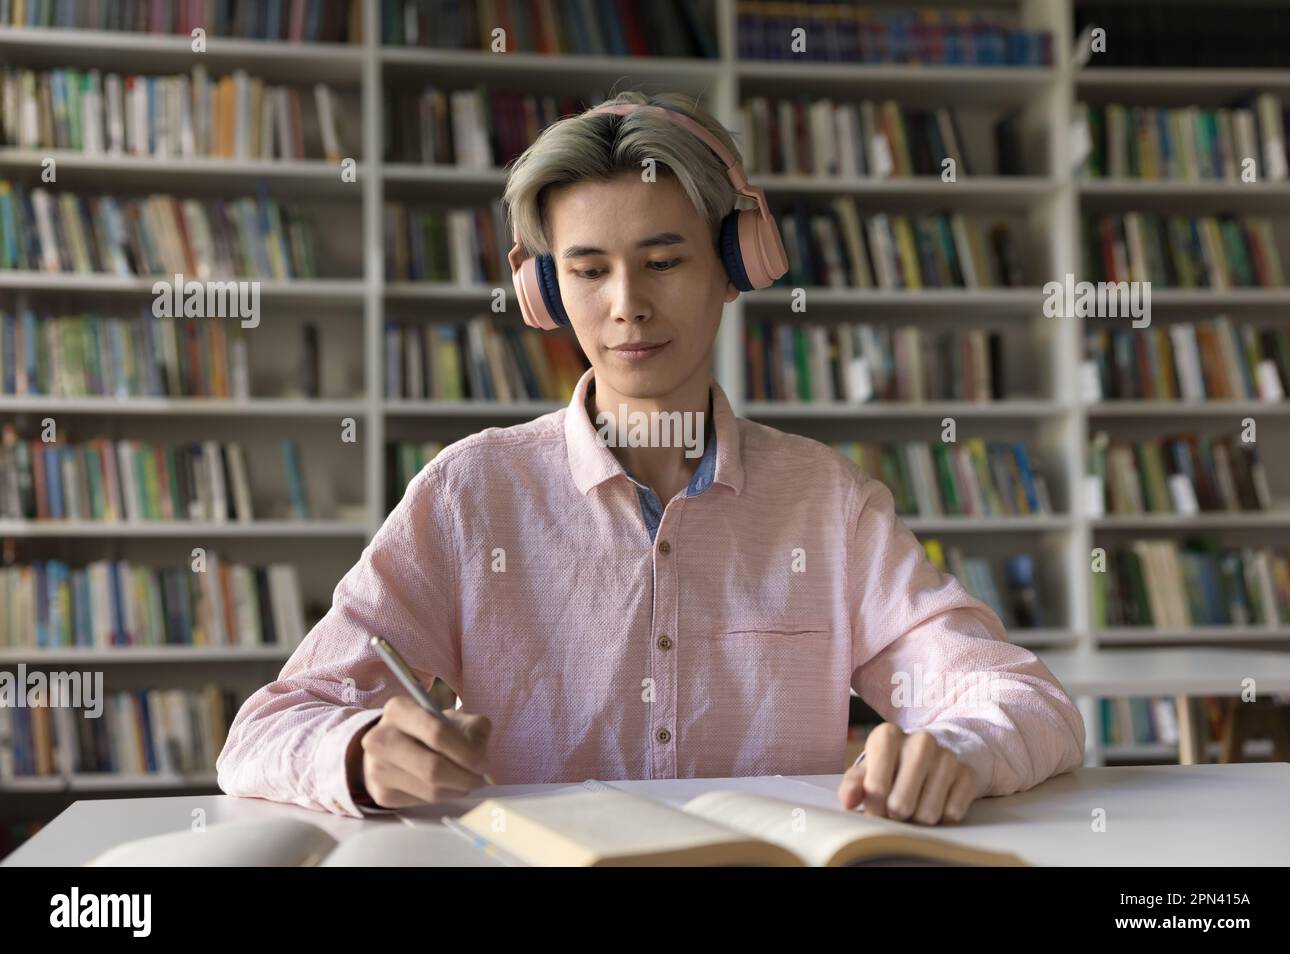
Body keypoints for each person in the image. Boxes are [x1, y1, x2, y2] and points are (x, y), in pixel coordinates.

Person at [215, 90, 1085, 826]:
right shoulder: (468, 495)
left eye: (664, 260)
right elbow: (266, 730)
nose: (626, 305)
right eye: (588, 271)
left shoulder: (828, 503)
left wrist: (954, 751)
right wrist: (362, 753)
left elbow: (1031, 704)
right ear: (548, 290)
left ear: (735, 264)